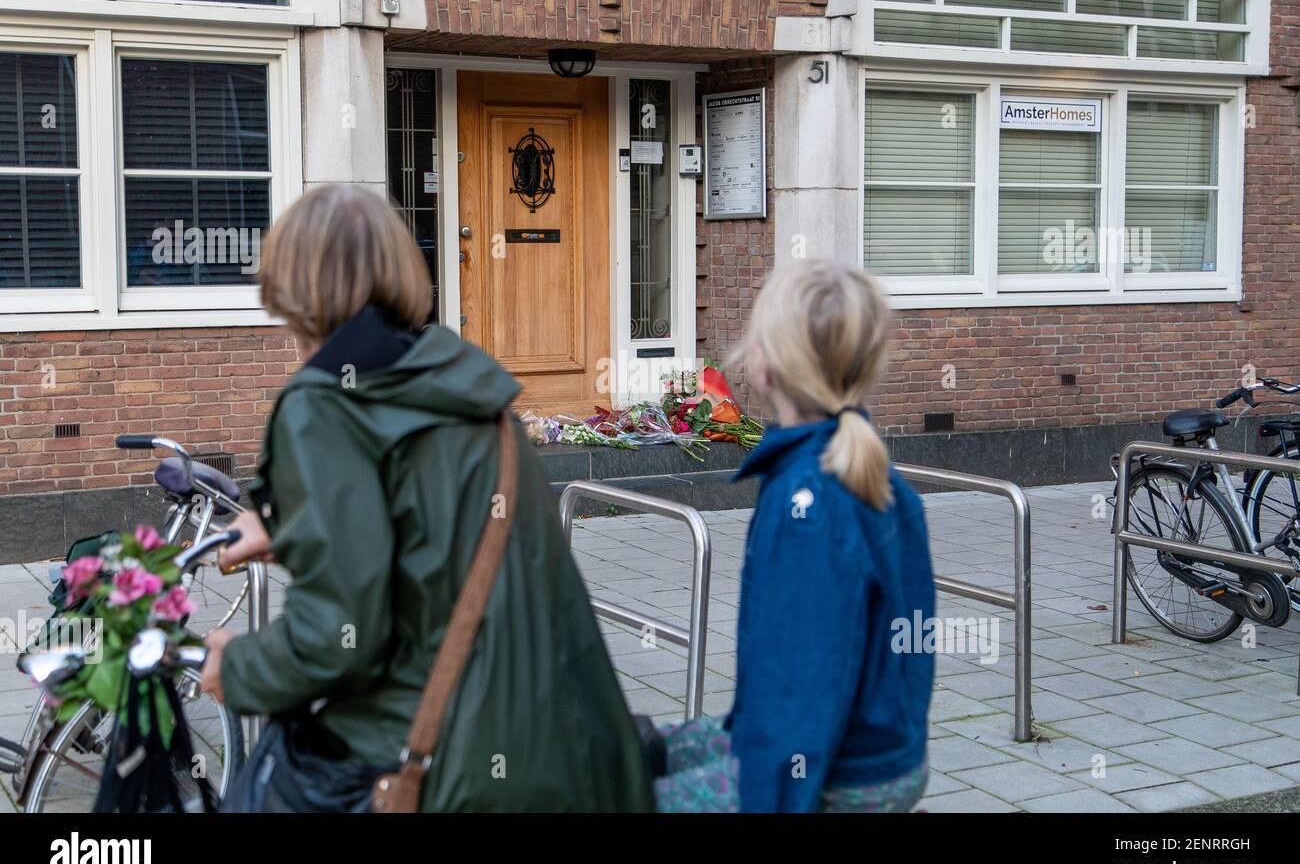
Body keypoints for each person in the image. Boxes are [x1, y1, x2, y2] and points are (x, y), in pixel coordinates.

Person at [199, 184, 654, 812]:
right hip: (557, 740)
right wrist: (292, 528)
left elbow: (338, 637)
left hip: (427, 756)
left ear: (291, 282)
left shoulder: (326, 405)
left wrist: (240, 668)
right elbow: (431, 541)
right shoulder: (462, 385)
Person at [654, 262, 936, 813]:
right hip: (885, 758)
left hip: (839, 777)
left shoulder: (806, 501)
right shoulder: (875, 476)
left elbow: (797, 703)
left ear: (766, 365)